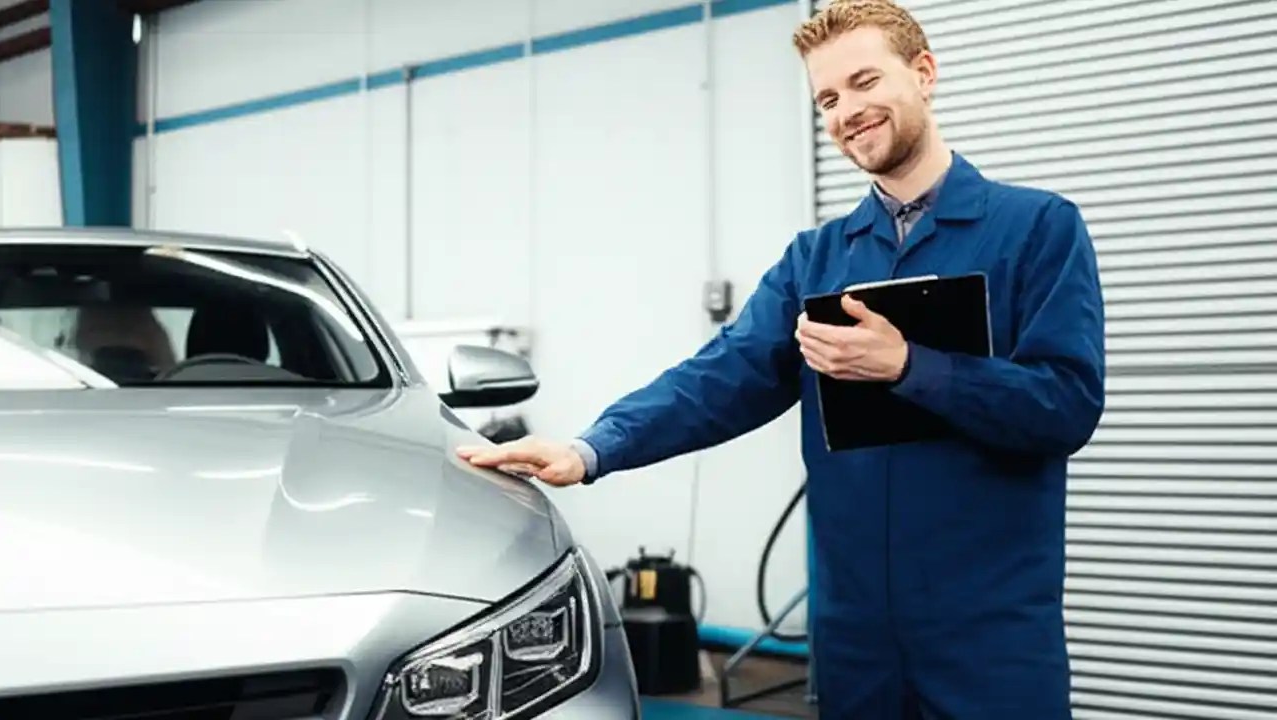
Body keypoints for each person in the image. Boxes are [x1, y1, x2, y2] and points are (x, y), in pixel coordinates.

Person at [458, 0, 1105, 717]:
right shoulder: (816, 259)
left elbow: (1065, 405)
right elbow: (719, 378)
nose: (846, 110)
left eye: (864, 82)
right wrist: (590, 449)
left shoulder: (1037, 228)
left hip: (990, 636)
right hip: (855, 636)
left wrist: (909, 365)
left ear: (924, 74)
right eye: (827, 98)